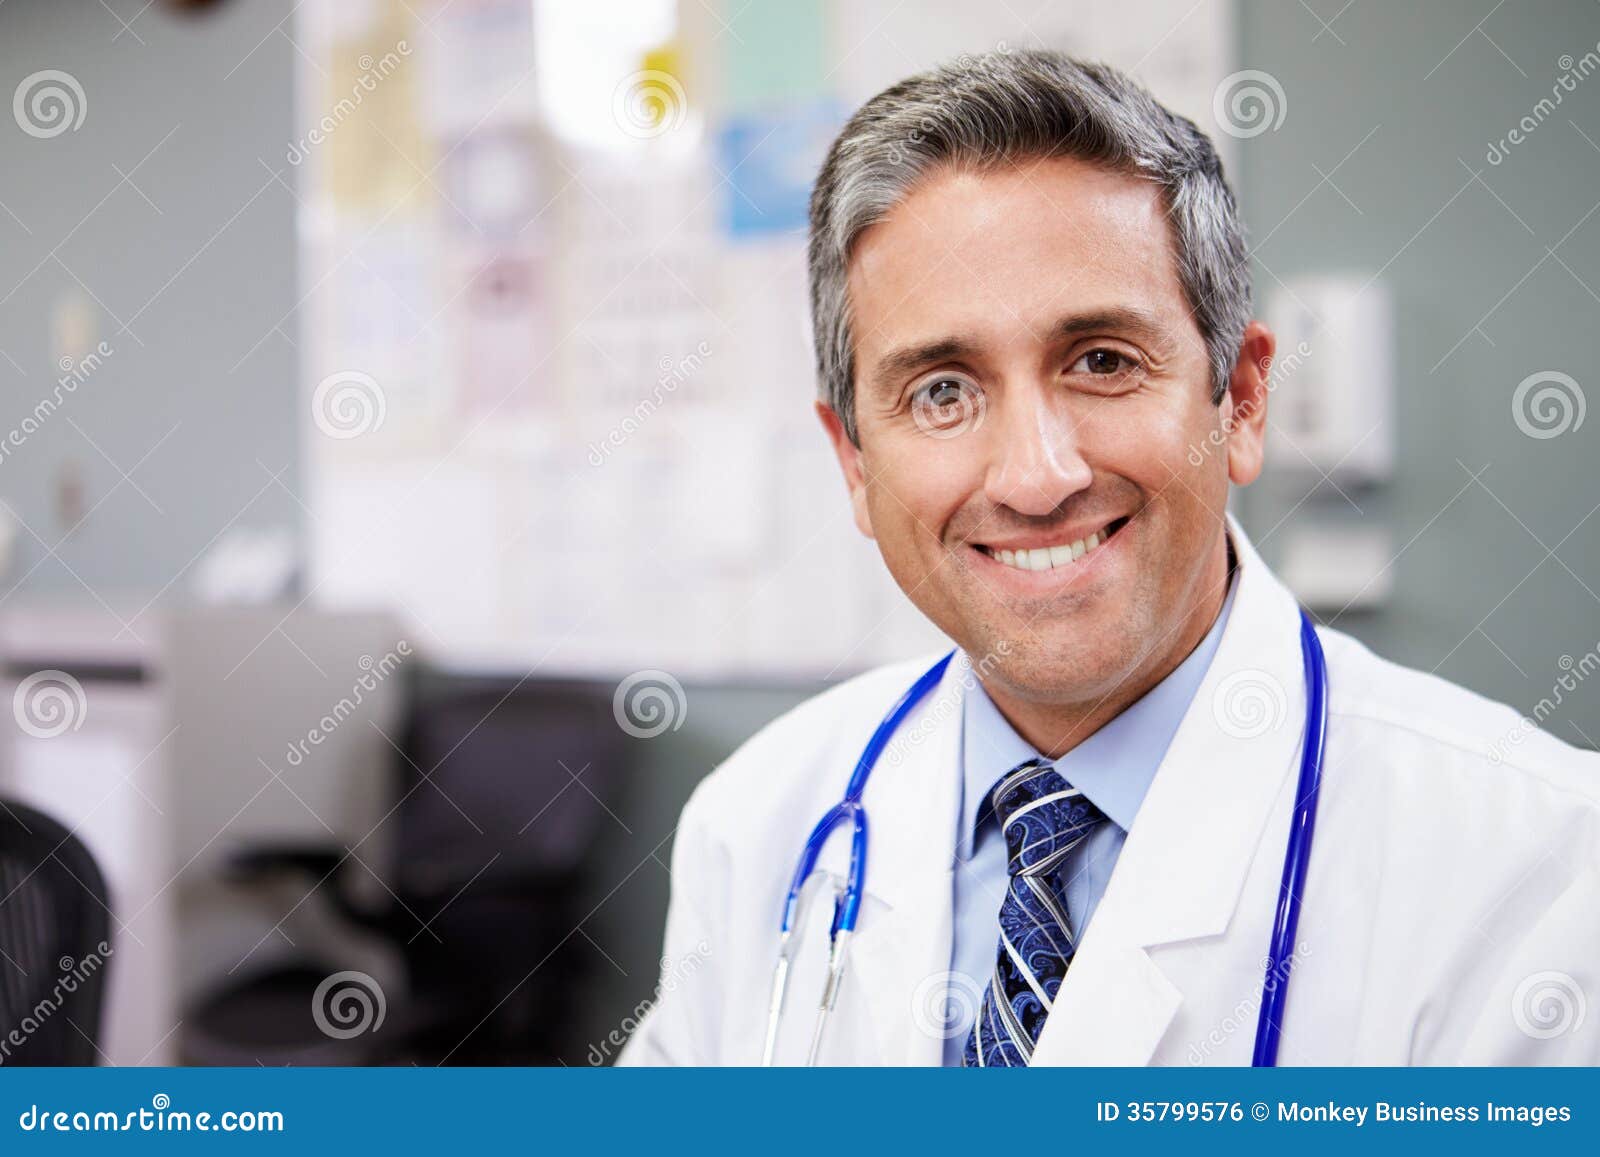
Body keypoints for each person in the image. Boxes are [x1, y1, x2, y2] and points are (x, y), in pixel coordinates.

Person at [618, 49, 1600, 1066]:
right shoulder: (760, 823)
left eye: (1100, 362)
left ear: (1243, 401)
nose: (1035, 477)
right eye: (942, 391)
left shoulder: (1543, 873)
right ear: (855, 465)